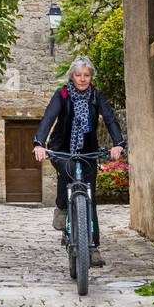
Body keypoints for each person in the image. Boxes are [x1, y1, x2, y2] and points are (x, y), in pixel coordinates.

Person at [33, 55, 124, 267]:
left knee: (89, 195)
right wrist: (39, 143)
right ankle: (62, 207)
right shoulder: (62, 94)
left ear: (91, 77)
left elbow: (110, 119)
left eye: (86, 75)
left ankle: (93, 248)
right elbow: (49, 118)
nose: (82, 79)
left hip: (88, 150)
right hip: (62, 148)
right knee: (67, 168)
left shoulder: (96, 96)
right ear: (72, 76)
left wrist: (118, 143)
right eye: (78, 75)